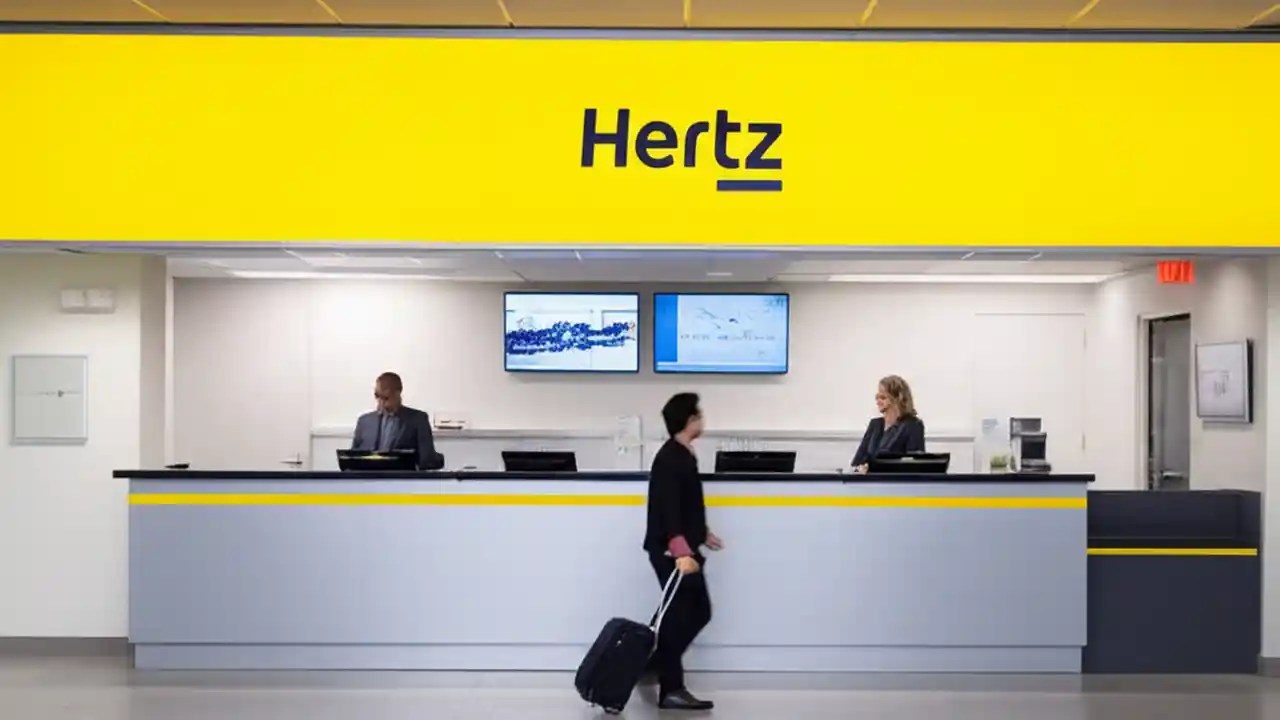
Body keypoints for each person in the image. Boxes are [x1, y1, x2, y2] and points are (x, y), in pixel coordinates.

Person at [643, 392, 722, 711]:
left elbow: (686, 503)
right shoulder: (671, 458)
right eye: (699, 415)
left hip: (682, 548)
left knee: (685, 614)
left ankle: (654, 666)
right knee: (686, 615)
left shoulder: (682, 454)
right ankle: (670, 687)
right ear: (690, 420)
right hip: (673, 553)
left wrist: (702, 533)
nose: (703, 420)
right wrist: (681, 553)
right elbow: (669, 509)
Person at [351, 372, 438, 470]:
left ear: (398, 393)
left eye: (386, 398)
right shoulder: (364, 421)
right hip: (367, 477)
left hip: (401, 477)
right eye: (377, 396)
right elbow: (352, 459)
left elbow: (426, 459)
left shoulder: (418, 419)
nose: (381, 402)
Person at [851, 375, 925, 473]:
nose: (878, 401)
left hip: (895, 480)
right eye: (877, 397)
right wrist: (861, 468)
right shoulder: (875, 425)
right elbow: (858, 461)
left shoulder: (912, 425)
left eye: (883, 397)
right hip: (870, 480)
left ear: (897, 399)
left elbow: (914, 464)